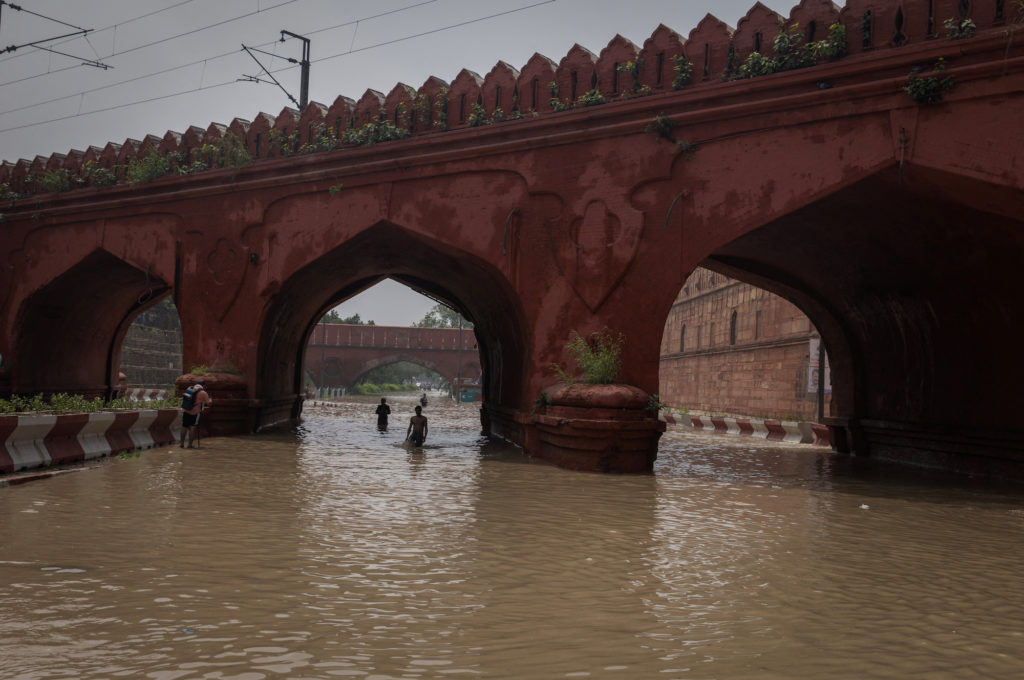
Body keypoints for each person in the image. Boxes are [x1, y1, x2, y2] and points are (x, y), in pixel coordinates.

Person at [180, 381, 212, 449]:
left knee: (184, 426)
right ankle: (190, 445)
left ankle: (182, 444)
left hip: (186, 410)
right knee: (192, 427)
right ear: (203, 386)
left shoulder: (189, 388)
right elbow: (209, 403)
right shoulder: (203, 393)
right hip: (195, 412)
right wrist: (210, 399)